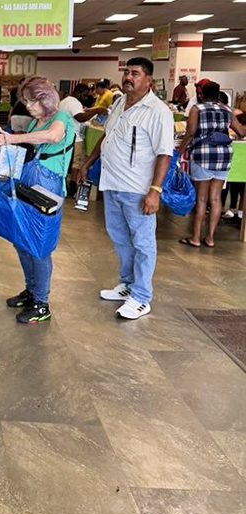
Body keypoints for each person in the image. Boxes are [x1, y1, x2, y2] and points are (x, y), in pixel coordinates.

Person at [79, 57, 174, 320]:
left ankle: (142, 297)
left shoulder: (158, 111)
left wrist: (154, 191)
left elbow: (165, 154)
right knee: (120, 238)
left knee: (143, 242)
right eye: (126, 72)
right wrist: (87, 162)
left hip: (138, 188)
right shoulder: (120, 102)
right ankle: (127, 284)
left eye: (134, 73)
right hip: (112, 184)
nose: (128, 77)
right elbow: (107, 137)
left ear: (148, 80)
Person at [0, 76, 76, 325]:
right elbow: (28, 148)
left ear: (45, 98)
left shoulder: (61, 118)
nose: (27, 106)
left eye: (31, 101)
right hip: (28, 181)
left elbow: (53, 137)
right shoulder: (37, 122)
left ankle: (41, 302)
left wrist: (12, 139)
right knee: (22, 241)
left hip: (48, 187)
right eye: (25, 101)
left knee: (39, 246)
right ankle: (31, 291)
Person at [177, 81, 245, 249]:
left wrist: (180, 151)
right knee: (215, 199)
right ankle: (210, 238)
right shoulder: (227, 110)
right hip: (223, 156)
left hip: (203, 154)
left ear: (201, 94)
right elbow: (242, 132)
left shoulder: (197, 109)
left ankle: (195, 237)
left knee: (201, 199)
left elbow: (191, 132)